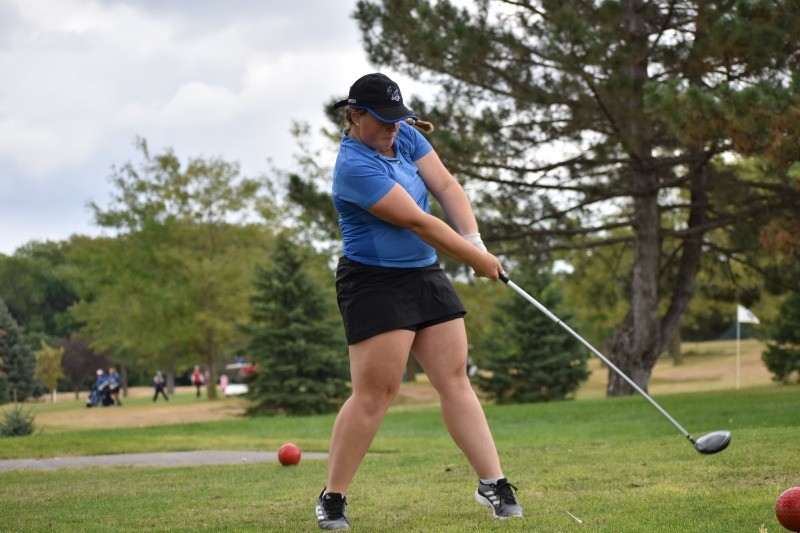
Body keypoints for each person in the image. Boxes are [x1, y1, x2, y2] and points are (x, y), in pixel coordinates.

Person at [315, 73, 522, 531]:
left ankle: (494, 482)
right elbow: (420, 222)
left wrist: (474, 240)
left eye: (397, 119)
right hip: (373, 282)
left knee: (454, 377)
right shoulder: (354, 168)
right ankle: (333, 497)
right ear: (354, 116)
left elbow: (447, 187)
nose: (393, 128)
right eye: (383, 120)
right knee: (377, 393)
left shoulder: (404, 136)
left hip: (423, 274)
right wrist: (476, 260)